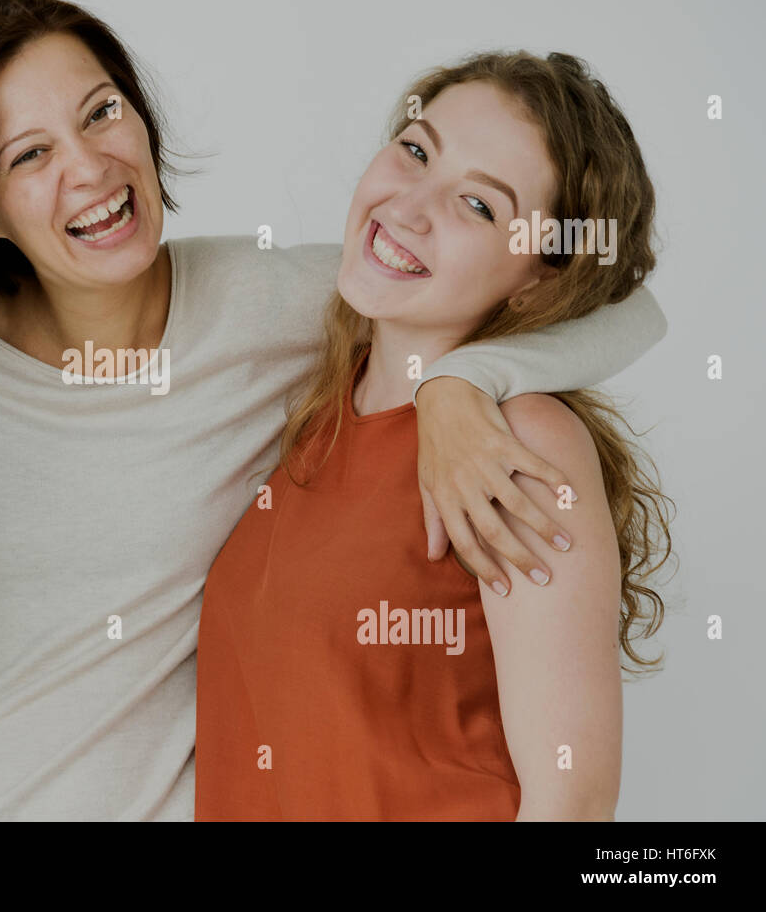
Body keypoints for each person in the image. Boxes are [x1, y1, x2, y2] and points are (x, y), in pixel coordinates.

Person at [0, 0, 667, 820]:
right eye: (28, 154)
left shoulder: (290, 304)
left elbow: (621, 302)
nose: (91, 167)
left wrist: (469, 384)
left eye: (101, 110)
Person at [195, 52, 672, 821]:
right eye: (416, 150)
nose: (410, 207)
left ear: (541, 276)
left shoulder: (526, 438)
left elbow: (573, 800)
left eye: (479, 206)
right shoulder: (317, 411)